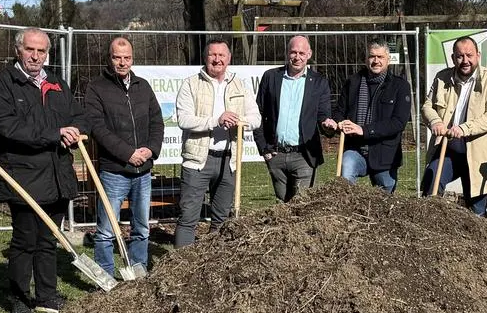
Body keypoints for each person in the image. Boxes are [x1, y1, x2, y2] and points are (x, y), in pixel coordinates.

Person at [0, 27, 87, 313]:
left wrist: (76, 131)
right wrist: (55, 134)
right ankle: (19, 299)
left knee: (48, 240)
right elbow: (7, 127)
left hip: (56, 175)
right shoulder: (4, 84)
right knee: (25, 240)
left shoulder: (56, 83)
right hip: (23, 175)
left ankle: (47, 296)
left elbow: (79, 116)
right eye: (30, 49)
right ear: (18, 50)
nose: (36, 56)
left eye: (41, 51)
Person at [83, 37, 164, 275]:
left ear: (132, 58)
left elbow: (156, 121)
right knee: (107, 229)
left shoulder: (143, 86)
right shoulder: (96, 88)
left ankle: (139, 272)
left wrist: (150, 150)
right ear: (109, 58)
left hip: (143, 172)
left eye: (126, 57)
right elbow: (98, 128)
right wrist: (128, 154)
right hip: (114, 171)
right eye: (117, 57)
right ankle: (105, 275)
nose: (122, 62)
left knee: (142, 227)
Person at [173, 39, 262, 247]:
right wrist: (217, 121)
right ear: (206, 58)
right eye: (213, 55)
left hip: (228, 161)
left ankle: (212, 270)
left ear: (229, 58)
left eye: (222, 55)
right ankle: (181, 269)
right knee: (188, 218)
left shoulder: (239, 85)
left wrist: (239, 122)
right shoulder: (191, 84)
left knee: (221, 220)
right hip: (197, 161)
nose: (217, 59)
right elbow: (184, 120)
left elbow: (255, 118)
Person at [420, 36, 487, 215]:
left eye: (469, 55)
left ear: (478, 56)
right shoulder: (442, 78)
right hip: (447, 149)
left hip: (478, 152)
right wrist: (435, 121)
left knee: (476, 211)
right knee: (431, 184)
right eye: (460, 56)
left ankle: (478, 242)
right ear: (453, 58)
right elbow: (427, 106)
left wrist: (464, 128)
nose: (465, 61)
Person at [253, 35, 333, 201]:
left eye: (302, 53)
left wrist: (327, 124)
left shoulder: (319, 82)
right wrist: (263, 148)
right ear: (287, 53)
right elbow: (257, 113)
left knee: (302, 206)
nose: (297, 57)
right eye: (293, 52)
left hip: (304, 155)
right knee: (282, 206)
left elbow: (323, 115)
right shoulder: (271, 77)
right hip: (276, 154)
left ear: (309, 54)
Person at [331, 40, 412, 192]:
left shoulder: (400, 86)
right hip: (354, 149)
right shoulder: (353, 82)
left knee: (385, 202)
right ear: (366, 59)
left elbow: (398, 122)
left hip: (385, 155)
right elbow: (339, 112)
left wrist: (364, 130)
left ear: (388, 59)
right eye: (372, 56)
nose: (376, 61)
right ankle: (346, 212)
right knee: (345, 174)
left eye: (380, 57)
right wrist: (337, 122)